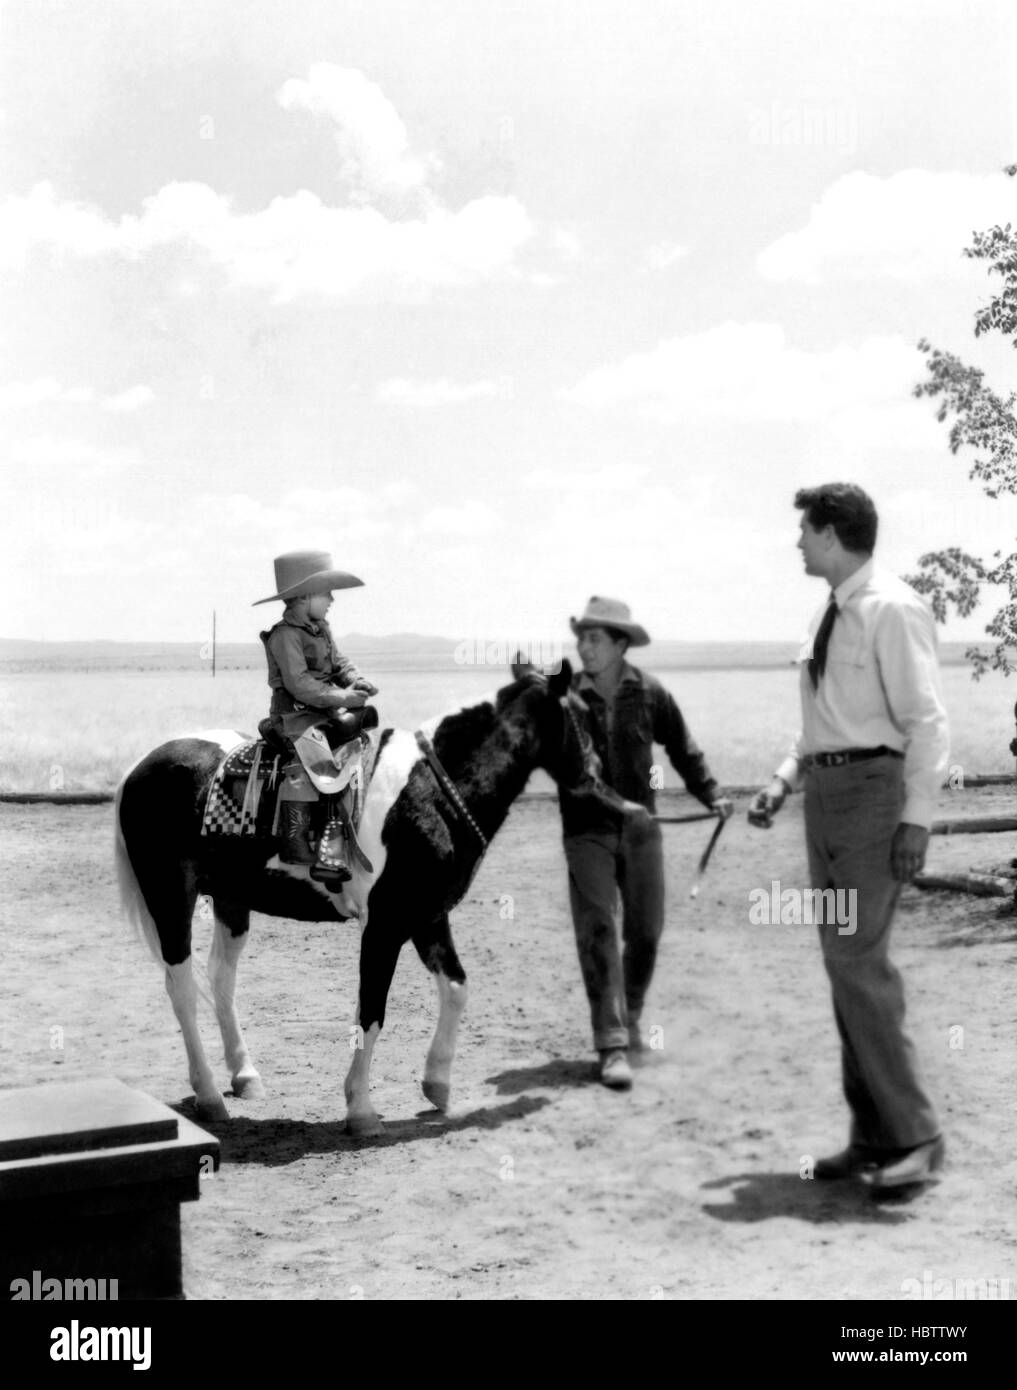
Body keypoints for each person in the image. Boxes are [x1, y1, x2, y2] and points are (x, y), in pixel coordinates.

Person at [748, 484, 949, 1189]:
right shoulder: (829, 613)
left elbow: (925, 721)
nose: (797, 542)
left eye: (805, 530)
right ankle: (872, 1136)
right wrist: (782, 781)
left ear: (831, 533)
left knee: (859, 963)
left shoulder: (893, 608)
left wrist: (915, 818)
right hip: (826, 799)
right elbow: (821, 726)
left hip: (872, 799)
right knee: (842, 967)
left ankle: (917, 1136)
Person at [559, 596, 732, 1090]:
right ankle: (611, 1043)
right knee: (597, 929)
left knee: (647, 931)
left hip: (641, 831)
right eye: (581, 638)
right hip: (586, 829)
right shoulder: (565, 700)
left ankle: (630, 1012)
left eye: (594, 639)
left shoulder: (652, 693)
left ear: (620, 644)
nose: (583, 647)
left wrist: (712, 794)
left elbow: (683, 748)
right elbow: (570, 766)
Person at [254, 550, 379, 888]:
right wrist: (345, 698)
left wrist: (356, 680)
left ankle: (345, 830)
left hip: (324, 711)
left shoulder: (321, 628)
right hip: (294, 717)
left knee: (360, 745)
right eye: (326, 593)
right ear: (304, 597)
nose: (332, 599)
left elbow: (339, 663)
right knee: (314, 763)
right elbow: (299, 684)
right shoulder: (285, 636)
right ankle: (296, 842)